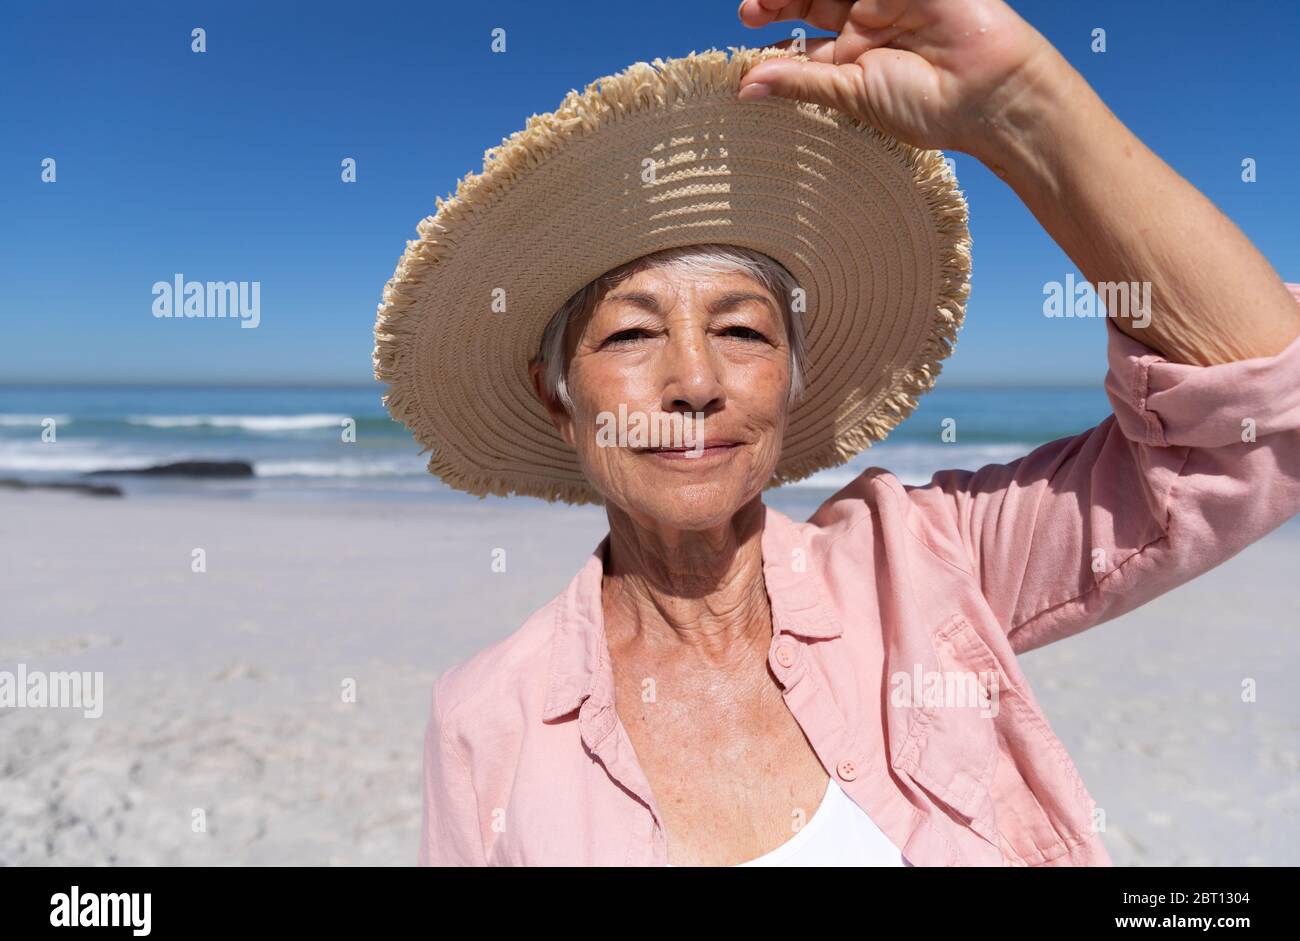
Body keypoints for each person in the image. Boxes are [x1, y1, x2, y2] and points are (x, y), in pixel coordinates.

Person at [373, 0, 1300, 866]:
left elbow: (1249, 430)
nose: (695, 381)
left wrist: (1024, 107)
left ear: (791, 379)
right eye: (630, 333)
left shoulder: (925, 565)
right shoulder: (486, 717)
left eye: (742, 330)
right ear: (555, 393)